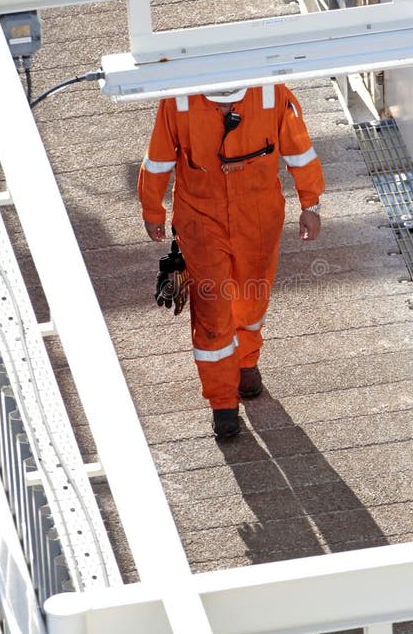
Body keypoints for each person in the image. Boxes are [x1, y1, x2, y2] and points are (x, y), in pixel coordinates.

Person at [137, 83, 324, 439]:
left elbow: (299, 149)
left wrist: (310, 204)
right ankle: (222, 401)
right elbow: (158, 157)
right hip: (200, 218)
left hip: (259, 217)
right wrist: (152, 208)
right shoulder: (178, 101)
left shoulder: (272, 93)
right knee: (212, 309)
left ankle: (246, 362)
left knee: (252, 301)